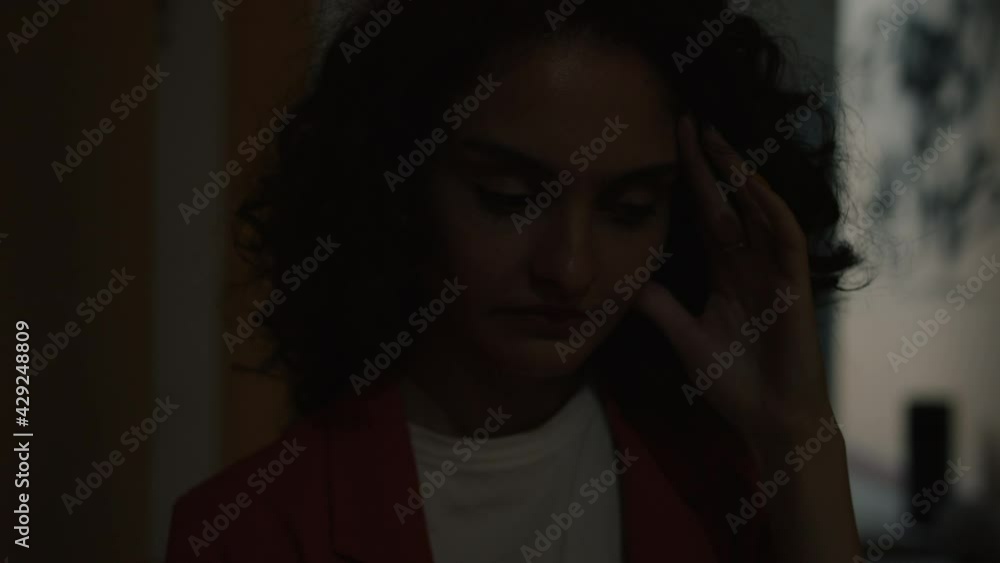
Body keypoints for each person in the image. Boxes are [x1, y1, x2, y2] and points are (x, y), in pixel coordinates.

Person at [166, 0, 863, 561]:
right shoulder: (252, 527)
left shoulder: (730, 488)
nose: (568, 268)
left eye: (629, 210)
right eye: (508, 197)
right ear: (400, 189)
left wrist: (799, 435)